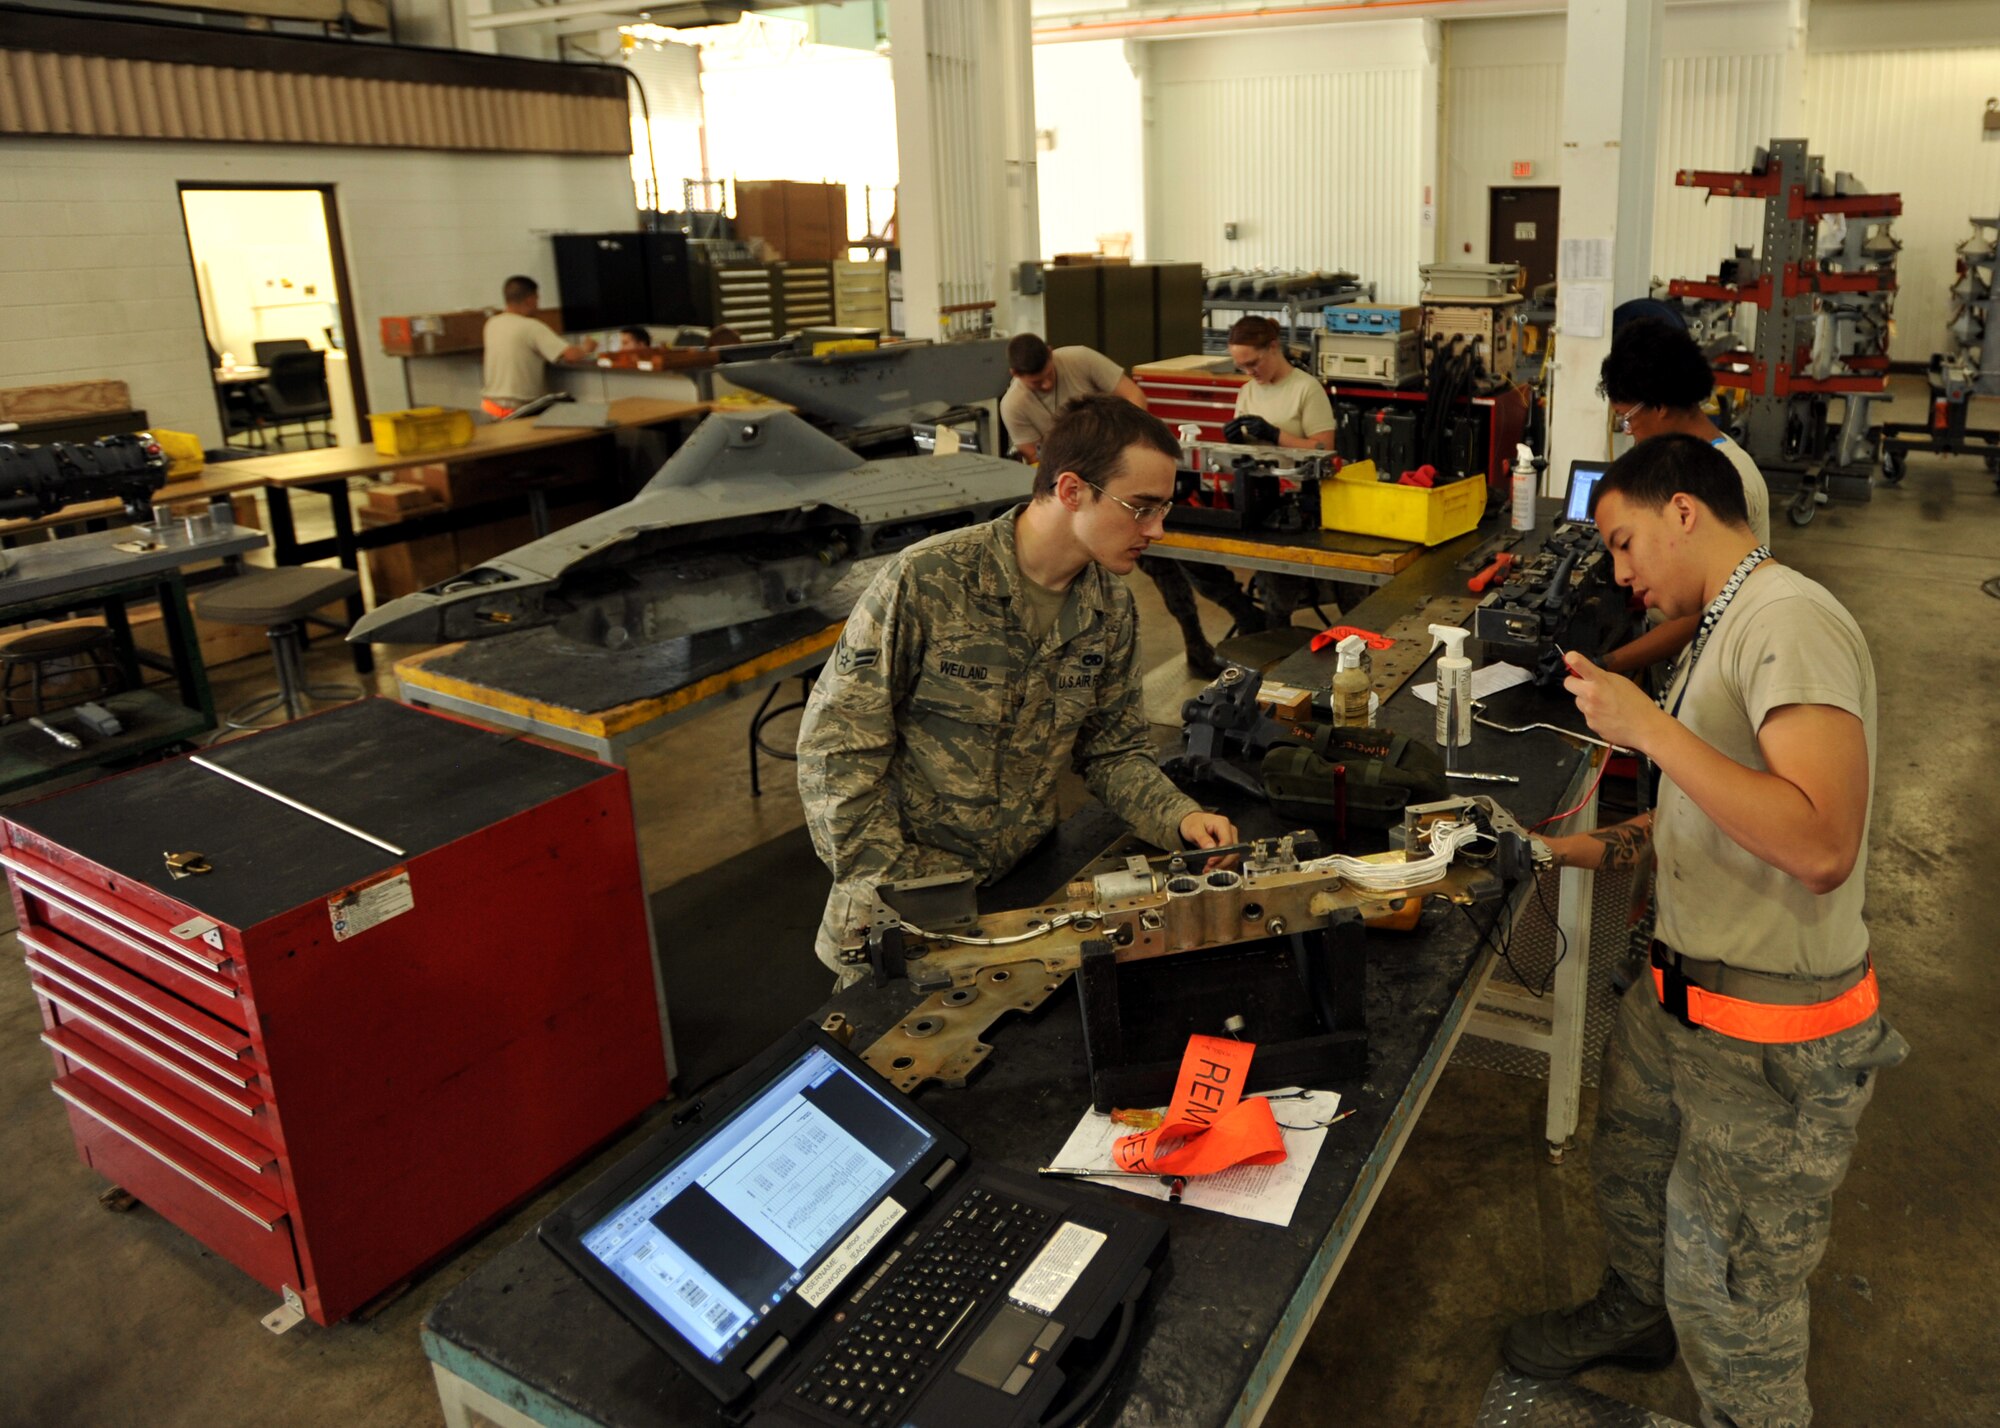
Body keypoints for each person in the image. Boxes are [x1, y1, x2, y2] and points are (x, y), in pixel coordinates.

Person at [1502, 434, 1906, 1428]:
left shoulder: (1788, 621)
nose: (1621, 572)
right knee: (1632, 1169)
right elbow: (1706, 810)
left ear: (1683, 511)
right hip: (1679, 993)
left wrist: (1645, 728)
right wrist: (1552, 851)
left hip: (1769, 1032)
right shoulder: (1722, 625)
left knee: (1728, 1294)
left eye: (1625, 541)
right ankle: (1634, 1316)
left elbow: (1816, 843)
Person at [797, 395, 1239, 982]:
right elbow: (835, 751)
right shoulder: (930, 580)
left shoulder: (1109, 609)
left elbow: (1113, 751)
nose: (1157, 529)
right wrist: (898, 886)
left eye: (1163, 509)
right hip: (898, 906)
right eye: (1141, 508)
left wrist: (1178, 817)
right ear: (1072, 490)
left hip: (1023, 894)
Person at [1595, 318, 1772, 676]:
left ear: (1659, 405)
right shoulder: (1681, 462)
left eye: (1627, 419)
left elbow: (1704, 615)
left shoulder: (1728, 474)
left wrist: (1609, 663)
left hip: (1699, 659)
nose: (1628, 433)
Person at [1000, 334, 1148, 463]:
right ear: (1015, 374)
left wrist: (1126, 440)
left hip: (1115, 445)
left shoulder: (1081, 358)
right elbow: (1034, 457)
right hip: (1066, 463)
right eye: (1037, 382)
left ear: (1050, 353)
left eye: (1049, 374)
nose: (1047, 384)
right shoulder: (1012, 406)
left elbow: (1134, 395)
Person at [479, 276, 596, 419]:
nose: (537, 305)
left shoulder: (492, 323)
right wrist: (587, 347)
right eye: (537, 299)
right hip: (517, 409)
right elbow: (571, 355)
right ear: (530, 300)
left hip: (491, 408)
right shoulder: (532, 327)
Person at [1225, 316, 1335, 452]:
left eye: (1253, 363)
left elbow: (1325, 450)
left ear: (1273, 347)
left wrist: (1276, 435)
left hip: (1292, 472)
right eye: (1241, 367)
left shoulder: (1307, 388)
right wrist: (1237, 441)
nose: (1248, 372)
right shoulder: (1247, 391)